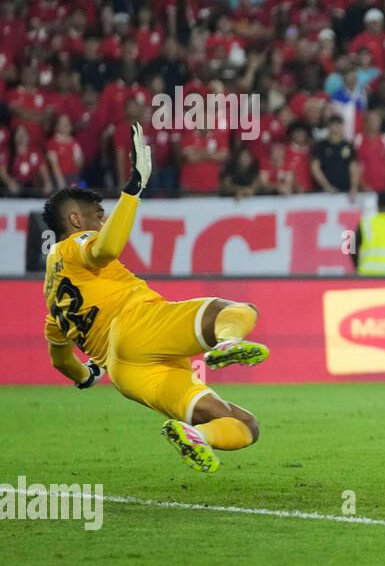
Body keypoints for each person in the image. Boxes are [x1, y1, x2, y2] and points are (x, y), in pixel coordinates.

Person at [42, 124, 267, 475]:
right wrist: (133, 190)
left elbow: (61, 360)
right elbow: (106, 250)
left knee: (243, 423)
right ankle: (227, 342)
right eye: (96, 213)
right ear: (74, 220)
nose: (103, 217)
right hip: (136, 327)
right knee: (237, 310)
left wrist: (86, 375)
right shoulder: (77, 244)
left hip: (125, 373)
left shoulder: (52, 298)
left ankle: (196, 435)